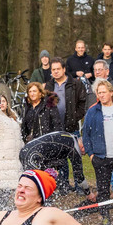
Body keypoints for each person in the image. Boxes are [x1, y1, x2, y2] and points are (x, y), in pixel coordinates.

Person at [81, 80, 113, 225]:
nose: (102, 95)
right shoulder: (93, 111)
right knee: (103, 190)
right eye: (99, 93)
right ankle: (105, 218)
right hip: (101, 157)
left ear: (111, 93)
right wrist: (91, 155)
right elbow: (86, 135)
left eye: (104, 92)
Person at [45, 61, 85, 192]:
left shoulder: (75, 83)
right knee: (59, 159)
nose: (55, 71)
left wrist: (75, 117)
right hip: (56, 129)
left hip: (71, 127)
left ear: (64, 69)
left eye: (58, 69)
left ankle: (80, 186)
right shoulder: (49, 85)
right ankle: (64, 185)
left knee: (75, 158)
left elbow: (82, 102)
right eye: (53, 69)